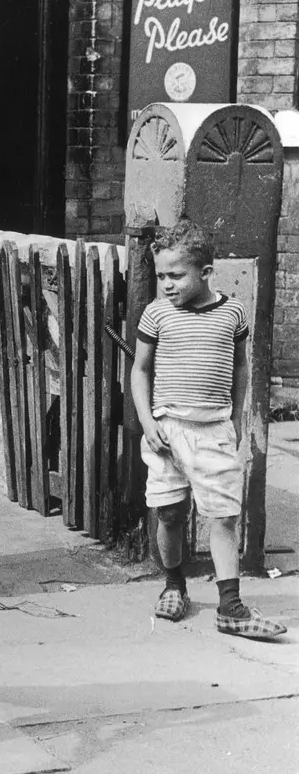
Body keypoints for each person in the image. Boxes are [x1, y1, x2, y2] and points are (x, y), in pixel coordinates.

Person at [131, 221, 286, 638]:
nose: (166, 284)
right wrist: (147, 422)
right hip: (166, 430)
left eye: (176, 275)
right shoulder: (156, 314)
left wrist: (235, 421)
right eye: (161, 275)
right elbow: (140, 370)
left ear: (206, 272)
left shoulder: (232, 313)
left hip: (213, 429)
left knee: (223, 515)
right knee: (169, 512)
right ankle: (174, 585)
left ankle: (230, 606)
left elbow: (239, 367)